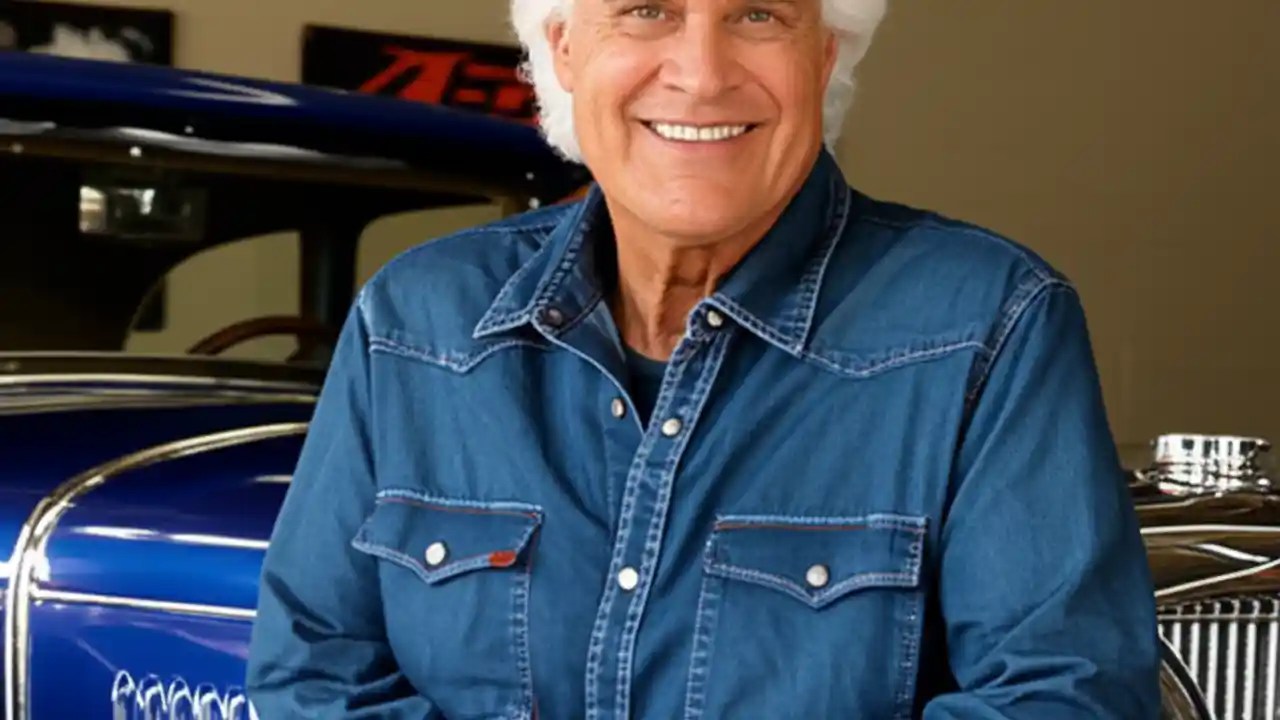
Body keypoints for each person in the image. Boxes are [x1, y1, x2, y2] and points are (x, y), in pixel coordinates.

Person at [246, 0, 1162, 717]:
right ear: (564, 50)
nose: (701, 72)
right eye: (646, 10)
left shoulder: (989, 324)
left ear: (824, 57)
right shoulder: (415, 321)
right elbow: (315, 676)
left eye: (758, 14)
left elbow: (1061, 699)